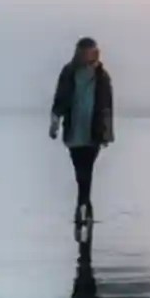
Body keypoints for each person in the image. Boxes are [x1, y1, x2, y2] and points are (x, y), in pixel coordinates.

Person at [49, 36, 114, 225]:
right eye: (86, 52)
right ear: (79, 53)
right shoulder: (69, 72)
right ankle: (83, 203)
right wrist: (54, 122)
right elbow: (60, 98)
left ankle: (83, 204)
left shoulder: (102, 76)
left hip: (94, 131)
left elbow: (107, 107)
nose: (90, 55)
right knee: (80, 170)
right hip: (74, 130)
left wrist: (107, 133)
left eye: (93, 51)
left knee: (88, 169)